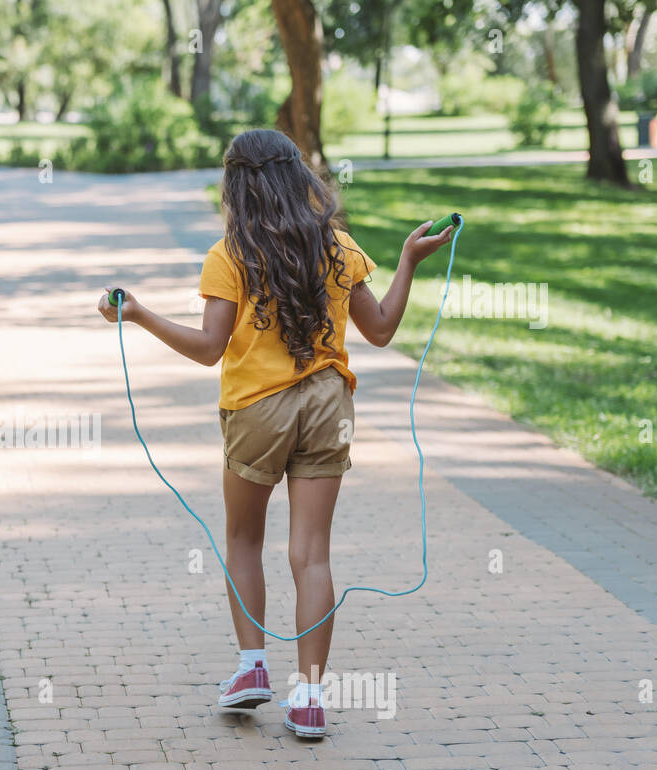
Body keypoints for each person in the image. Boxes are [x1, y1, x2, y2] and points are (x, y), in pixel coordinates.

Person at [97, 128, 453, 739]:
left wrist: (139, 313)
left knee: (242, 537)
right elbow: (383, 330)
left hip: (257, 410)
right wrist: (408, 261)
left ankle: (252, 667)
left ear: (236, 185)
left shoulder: (228, 255)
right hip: (327, 404)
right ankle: (310, 699)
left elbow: (211, 350)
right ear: (299, 177)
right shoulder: (339, 248)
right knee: (311, 552)